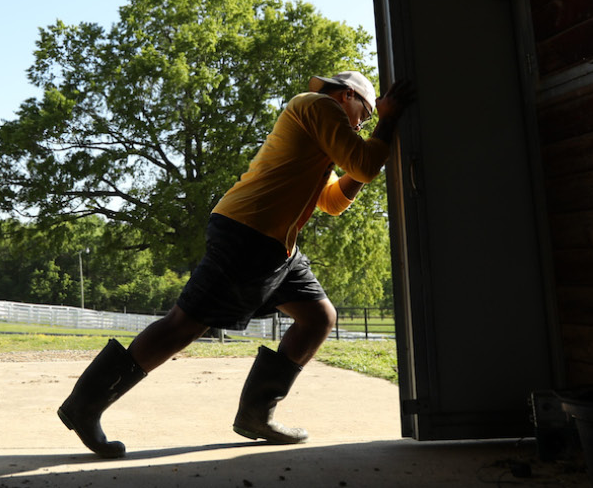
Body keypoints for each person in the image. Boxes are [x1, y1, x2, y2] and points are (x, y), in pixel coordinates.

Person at [57, 71, 416, 458]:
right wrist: (388, 120)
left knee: (318, 317)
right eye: (365, 112)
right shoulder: (319, 106)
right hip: (248, 231)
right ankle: (86, 405)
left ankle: (256, 415)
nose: (364, 123)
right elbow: (363, 164)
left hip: (277, 245)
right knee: (184, 325)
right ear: (348, 96)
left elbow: (331, 201)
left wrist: (362, 158)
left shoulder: (324, 131)